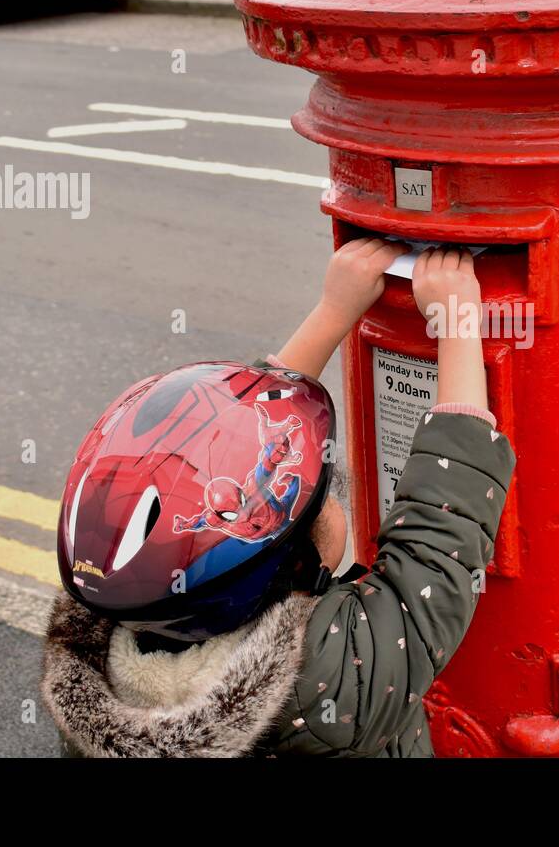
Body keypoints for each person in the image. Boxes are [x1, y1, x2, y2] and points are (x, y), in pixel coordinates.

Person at [41, 241, 515, 757]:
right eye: (322, 496)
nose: (337, 499)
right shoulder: (328, 676)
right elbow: (437, 547)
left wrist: (333, 311)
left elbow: (232, 439)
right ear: (297, 566)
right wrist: (459, 325)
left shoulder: (117, 628)